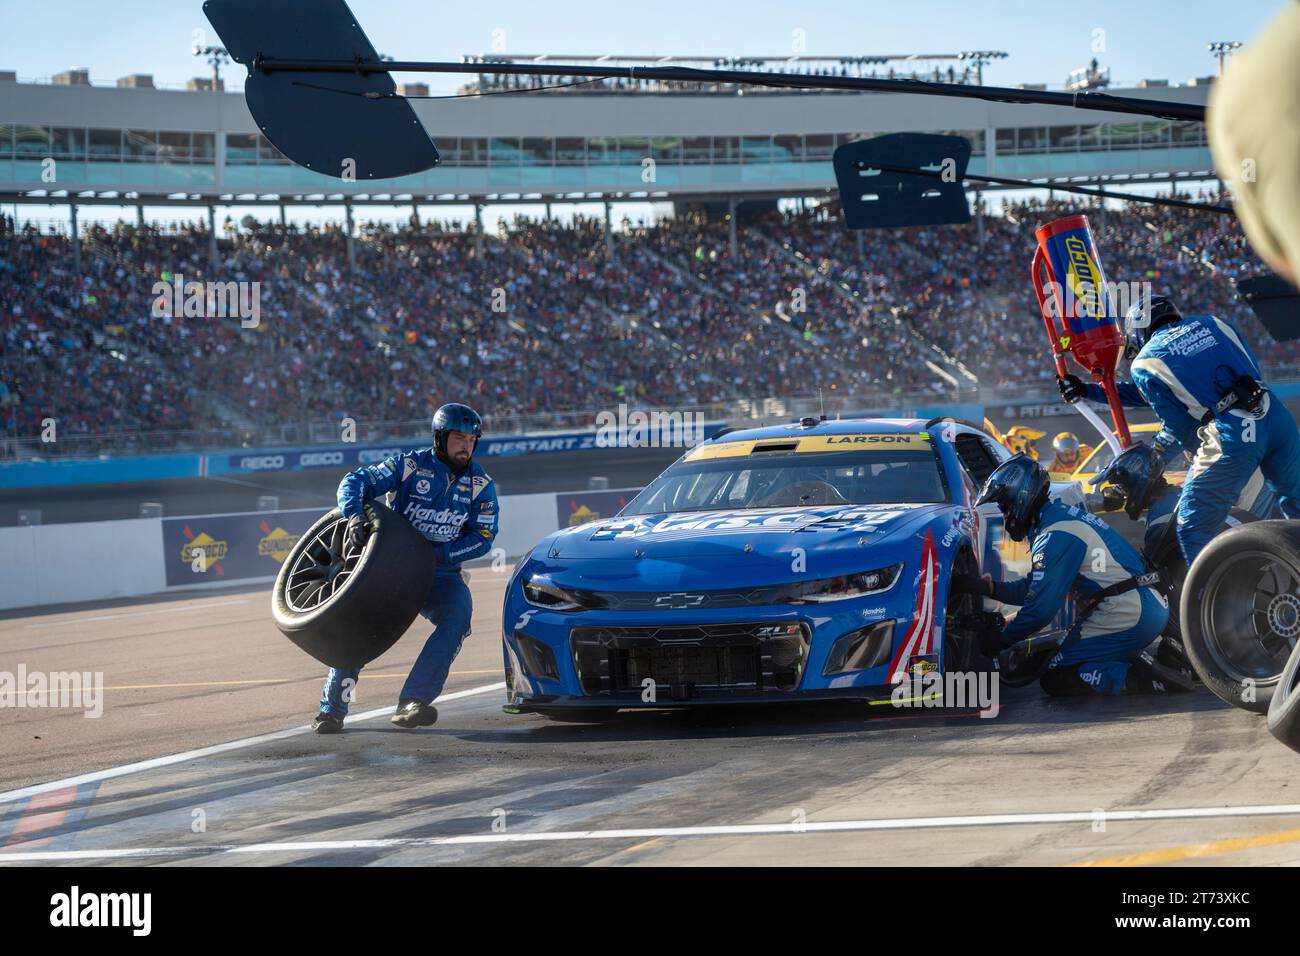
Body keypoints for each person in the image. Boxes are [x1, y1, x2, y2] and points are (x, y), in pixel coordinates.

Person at [1058, 294, 1300, 564]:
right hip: (1276, 416)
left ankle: (1213, 603)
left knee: (1193, 527)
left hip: (1235, 435)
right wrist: (1090, 391)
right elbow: (1249, 367)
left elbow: (1179, 425)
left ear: (1137, 333)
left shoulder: (1145, 361)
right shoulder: (1215, 323)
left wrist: (1153, 457)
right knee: (1295, 511)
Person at [312, 403, 499, 733]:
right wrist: (355, 516)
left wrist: (438, 555)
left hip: (440, 575)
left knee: (459, 613)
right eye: (458, 437)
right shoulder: (409, 465)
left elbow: (483, 537)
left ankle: (414, 701)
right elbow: (354, 481)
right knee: (359, 627)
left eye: (472, 439)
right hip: (391, 568)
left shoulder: (481, 484)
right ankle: (332, 709)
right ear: (439, 438)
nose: (466, 445)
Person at [975, 454, 1187, 696]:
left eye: (1004, 506)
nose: (1004, 515)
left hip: (1127, 611)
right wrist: (988, 589)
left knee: (1058, 677)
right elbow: (1036, 589)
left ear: (1020, 496)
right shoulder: (1058, 517)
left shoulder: (1054, 533)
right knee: (1064, 659)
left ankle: (1143, 679)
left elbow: (1040, 610)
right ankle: (1160, 659)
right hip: (1141, 605)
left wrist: (1001, 641)